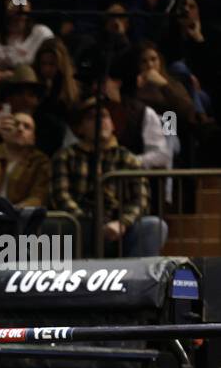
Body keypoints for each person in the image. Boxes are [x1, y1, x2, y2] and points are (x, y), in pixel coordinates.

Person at [51, 98, 167, 258]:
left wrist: (122, 223)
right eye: (92, 117)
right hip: (79, 225)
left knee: (154, 225)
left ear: (113, 125)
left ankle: (136, 274)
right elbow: (60, 196)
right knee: (59, 226)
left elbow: (141, 200)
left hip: (118, 227)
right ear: (80, 128)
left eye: (104, 116)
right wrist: (88, 222)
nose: (100, 121)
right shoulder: (65, 156)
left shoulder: (127, 158)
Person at [0, 0, 53, 72]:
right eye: (12, 1)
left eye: (21, 0)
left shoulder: (42, 34)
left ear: (29, 6)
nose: (17, 6)